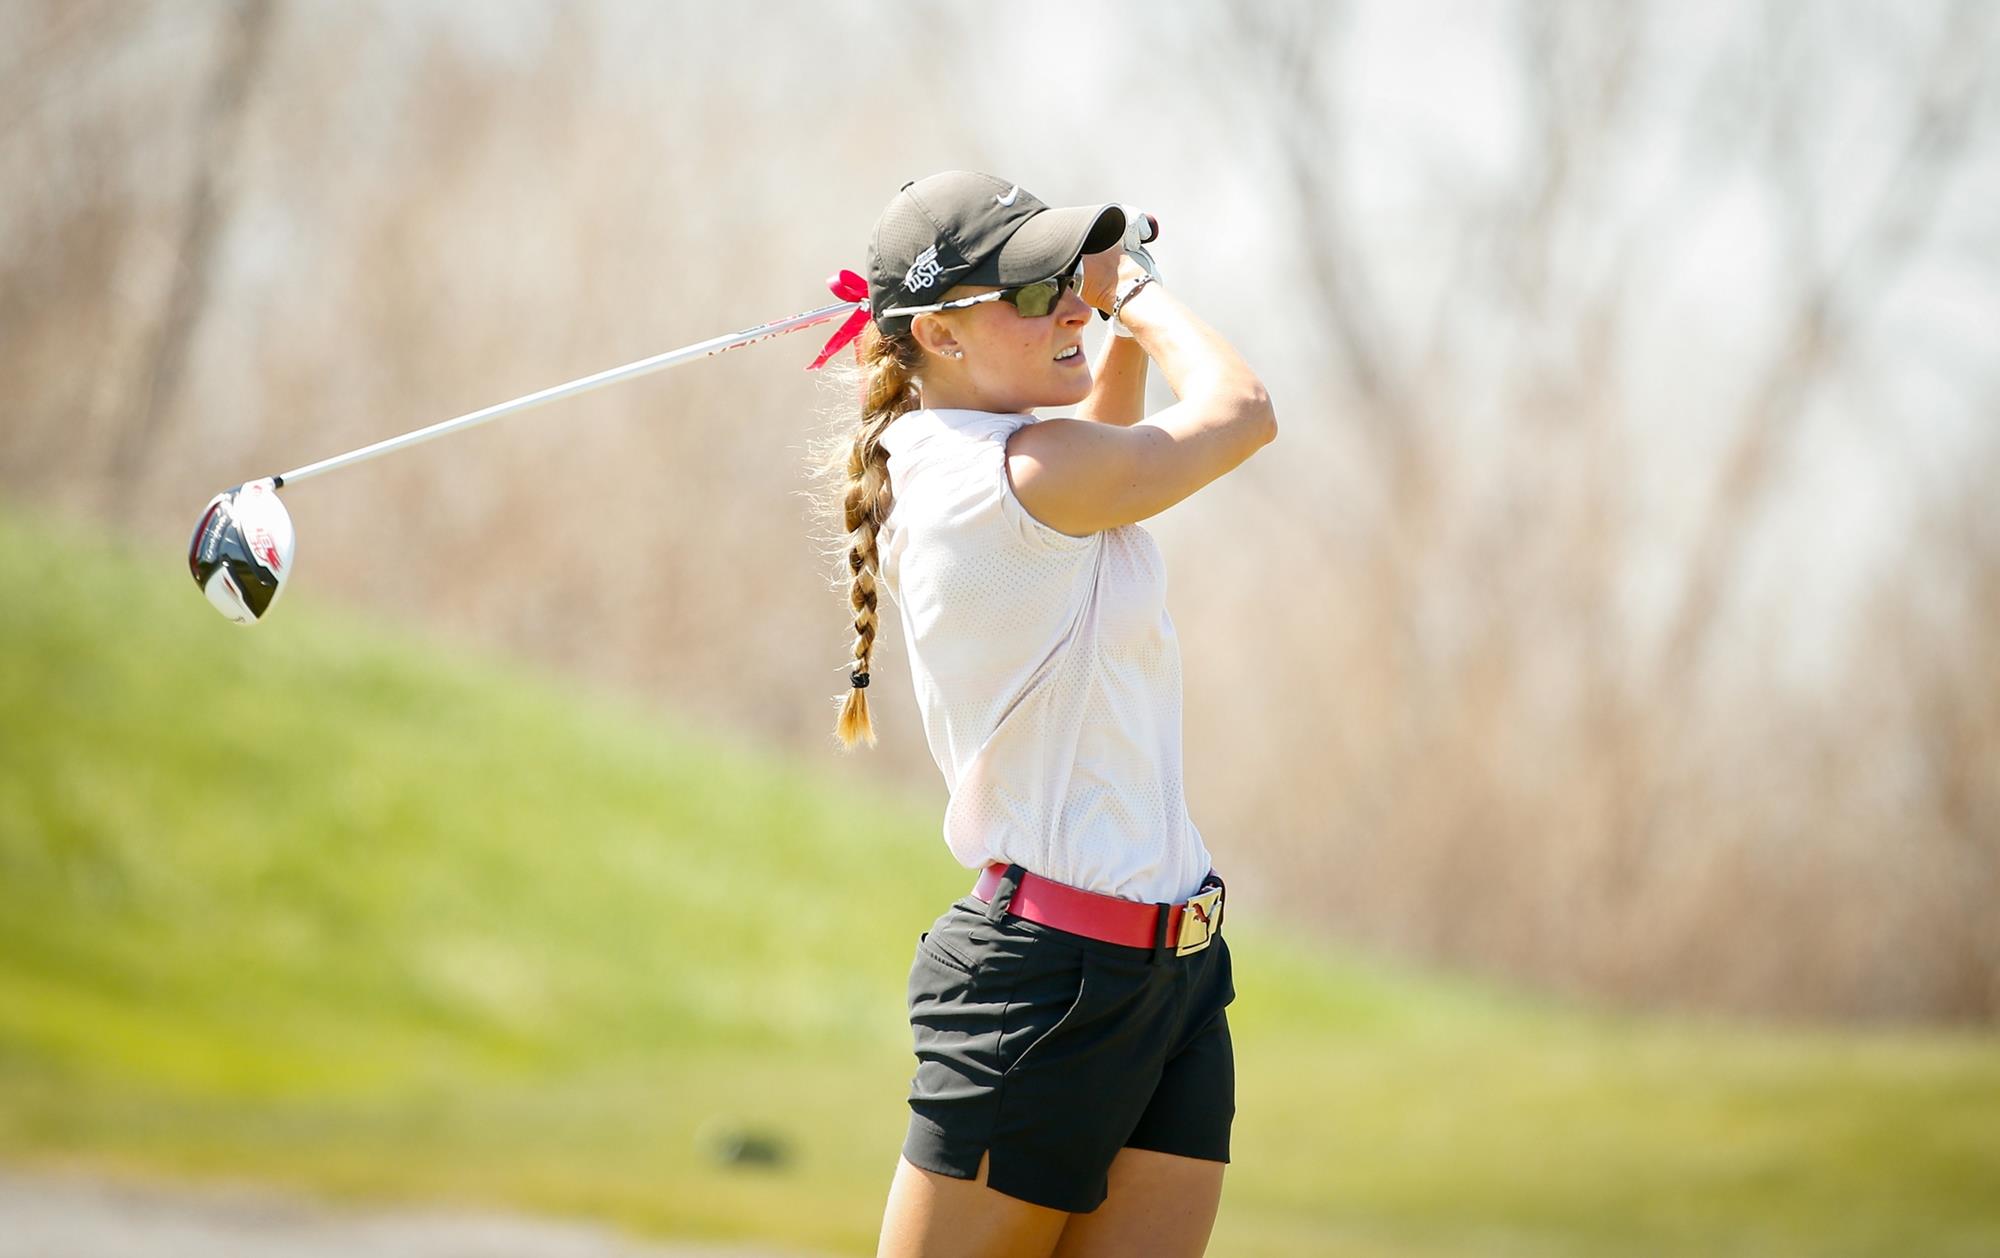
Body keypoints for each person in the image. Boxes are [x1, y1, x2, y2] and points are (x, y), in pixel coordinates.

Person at [817, 171, 1276, 1258]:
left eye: (1067, 281)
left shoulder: (1027, 460)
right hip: (1041, 991)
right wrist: (1139, 293)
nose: (1071, 307)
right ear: (938, 332)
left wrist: (1099, 313)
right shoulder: (997, 475)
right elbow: (1240, 413)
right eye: (1035, 295)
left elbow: (1109, 450)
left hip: (1172, 975)